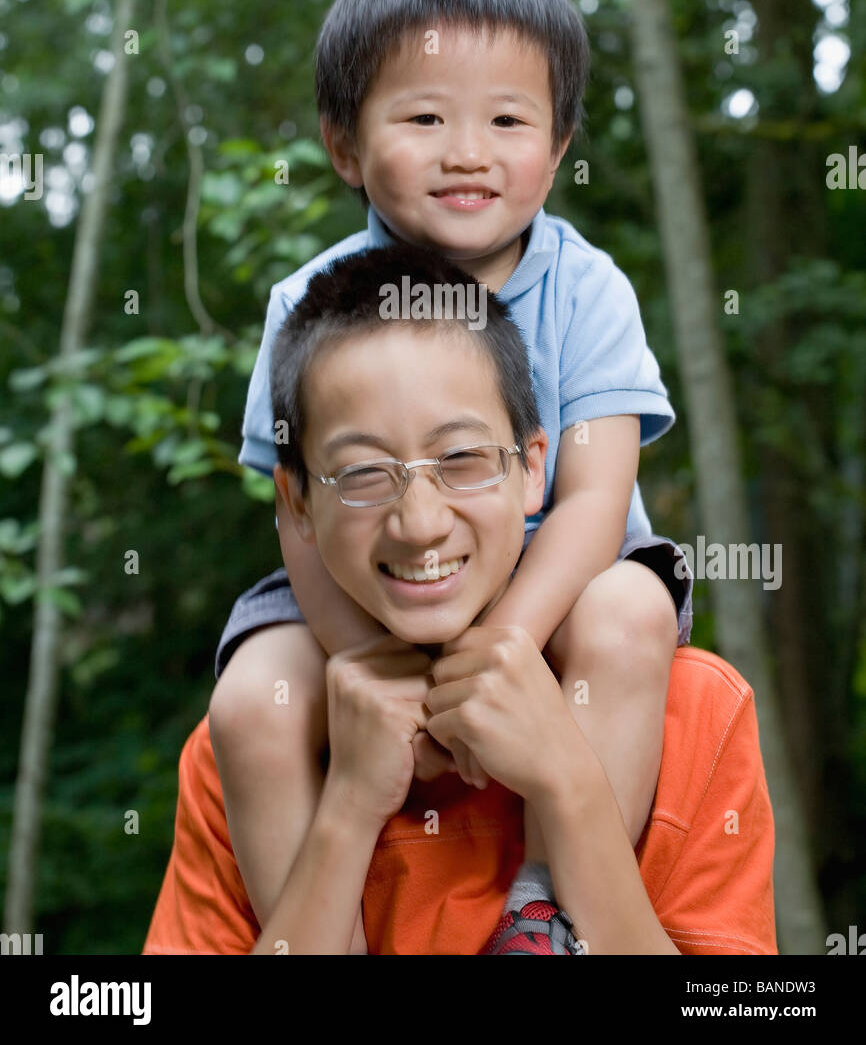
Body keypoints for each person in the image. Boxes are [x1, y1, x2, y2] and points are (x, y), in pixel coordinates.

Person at [208, 0, 695, 952]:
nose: (467, 151)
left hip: (556, 584)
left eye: (507, 121)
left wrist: (499, 649)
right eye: (424, 118)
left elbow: (595, 497)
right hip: (365, 588)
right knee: (254, 697)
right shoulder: (304, 303)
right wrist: (367, 662)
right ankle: (319, 928)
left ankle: (545, 909)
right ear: (345, 145)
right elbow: (298, 517)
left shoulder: (587, 288)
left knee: (631, 612)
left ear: (558, 146)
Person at [143, 247, 776, 955]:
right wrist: (348, 807)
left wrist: (569, 783)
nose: (419, 524)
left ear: (532, 468)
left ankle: (539, 916)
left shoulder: (690, 716)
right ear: (298, 504)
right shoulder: (260, 737)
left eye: (462, 461)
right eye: (362, 474)